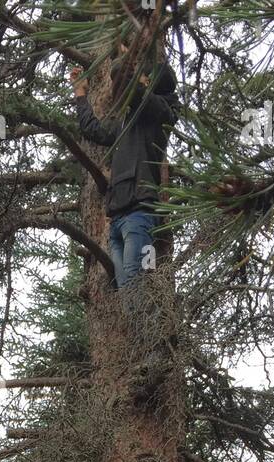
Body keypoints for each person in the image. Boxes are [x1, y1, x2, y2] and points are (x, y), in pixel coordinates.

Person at [71, 46, 180, 289]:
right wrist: (80, 94)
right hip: (118, 216)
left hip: (139, 213)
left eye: (146, 77)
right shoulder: (128, 122)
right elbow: (94, 131)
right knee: (126, 287)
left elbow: (125, 79)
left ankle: (143, 327)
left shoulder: (160, 111)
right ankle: (140, 325)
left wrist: (130, 60)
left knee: (133, 281)